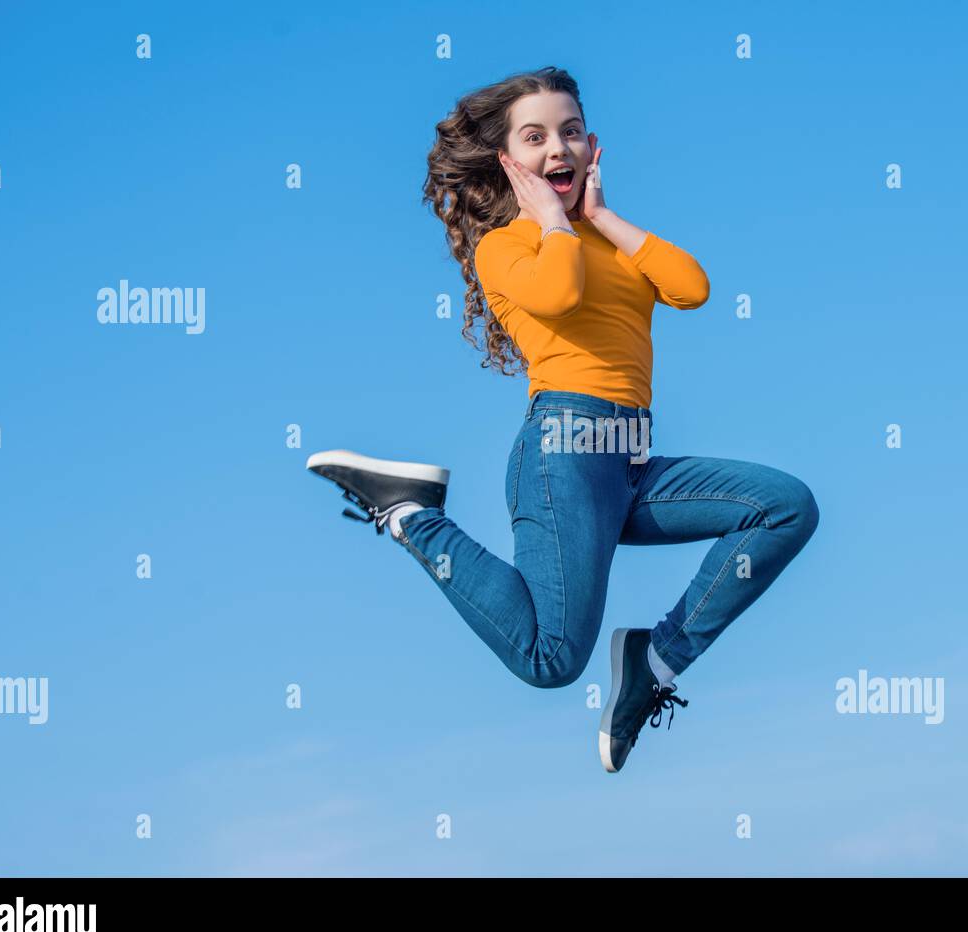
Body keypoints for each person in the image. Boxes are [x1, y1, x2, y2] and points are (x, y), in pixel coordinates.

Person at [307, 67, 819, 773]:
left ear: (593, 147)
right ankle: (410, 514)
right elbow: (558, 292)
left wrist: (602, 218)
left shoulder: (606, 240)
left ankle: (656, 656)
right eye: (537, 136)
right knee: (551, 659)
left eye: (572, 132)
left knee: (784, 507)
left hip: (631, 462)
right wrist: (552, 221)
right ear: (509, 163)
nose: (560, 147)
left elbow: (692, 287)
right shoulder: (508, 247)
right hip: (566, 452)